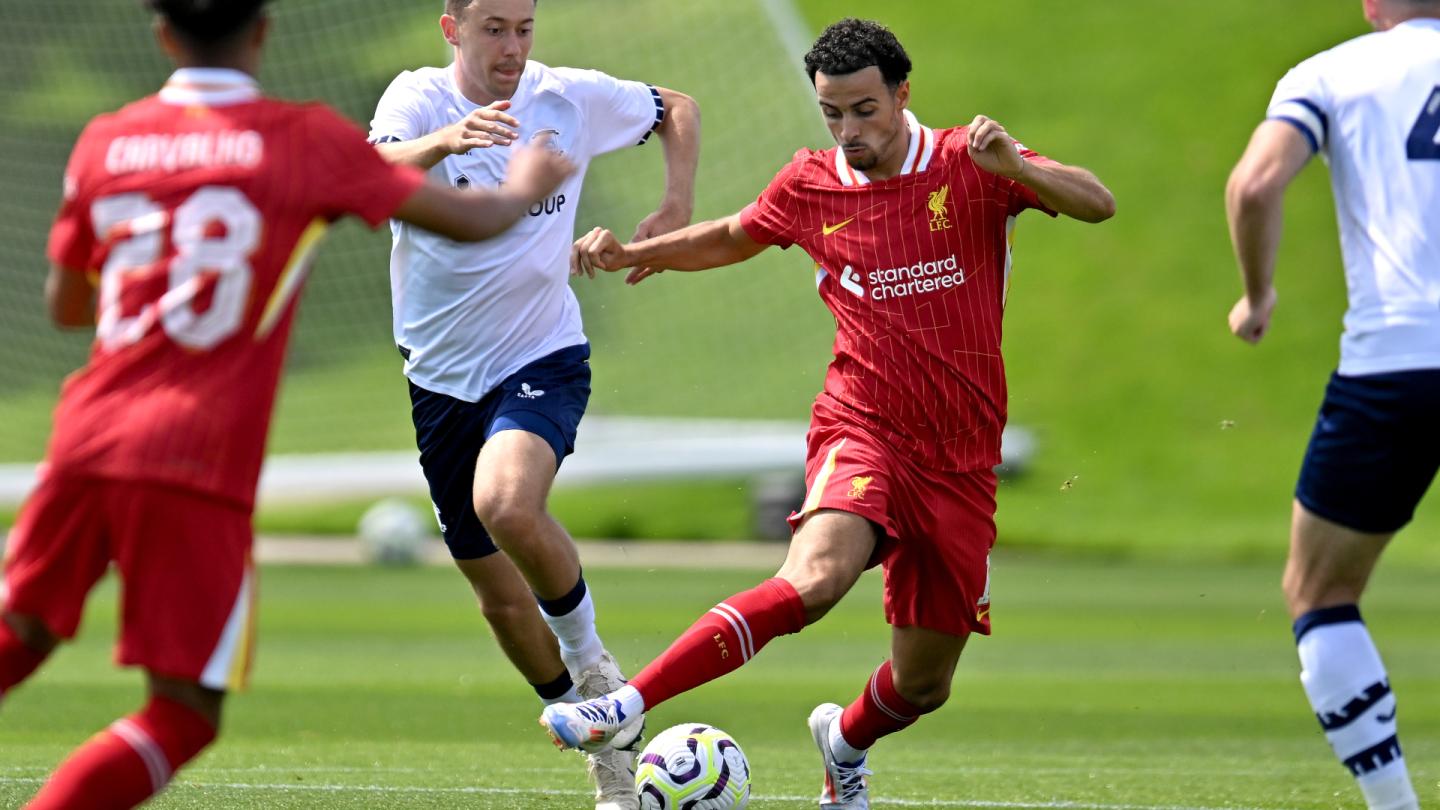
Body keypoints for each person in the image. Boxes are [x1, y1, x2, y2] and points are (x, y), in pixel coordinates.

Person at [0, 1, 574, 807]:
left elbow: (66, 303)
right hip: (192, 455)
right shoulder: (299, 139)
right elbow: (469, 219)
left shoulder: (107, 138)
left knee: (17, 636)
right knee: (184, 712)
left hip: (85, 432)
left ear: (163, 35)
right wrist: (526, 187)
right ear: (263, 30)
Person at [542, 17, 1114, 809]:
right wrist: (635, 255)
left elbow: (1099, 203)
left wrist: (1018, 165)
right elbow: (736, 235)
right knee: (812, 581)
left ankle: (845, 742)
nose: (848, 131)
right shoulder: (812, 183)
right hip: (862, 428)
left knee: (923, 685)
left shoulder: (970, 163)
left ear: (902, 95)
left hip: (960, 461)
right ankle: (625, 705)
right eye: (832, 113)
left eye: (864, 111)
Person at [365, 1, 700, 806]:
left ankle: (598, 672)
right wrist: (445, 141)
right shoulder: (416, 101)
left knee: (507, 503)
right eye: (493, 30)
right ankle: (596, 729)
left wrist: (675, 206)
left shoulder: (568, 98)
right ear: (453, 29)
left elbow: (676, 109)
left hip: (541, 352)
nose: (512, 48)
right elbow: (373, 180)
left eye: (524, 27)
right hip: (440, 380)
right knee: (501, 603)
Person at [1224, 1, 1439, 808]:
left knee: (1321, 594)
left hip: (1395, 361)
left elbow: (1254, 183)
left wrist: (1258, 294)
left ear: (1373, 1)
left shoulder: (1331, 72)